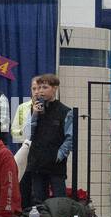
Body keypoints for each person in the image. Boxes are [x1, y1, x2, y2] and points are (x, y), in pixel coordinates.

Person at [20, 73, 73, 209]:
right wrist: (35, 114)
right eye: (39, 88)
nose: (41, 91)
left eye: (45, 87)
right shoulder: (34, 109)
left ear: (54, 88)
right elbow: (27, 134)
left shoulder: (65, 111)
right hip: (37, 162)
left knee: (59, 200)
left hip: (55, 164)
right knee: (38, 201)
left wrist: (59, 155)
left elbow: (70, 138)